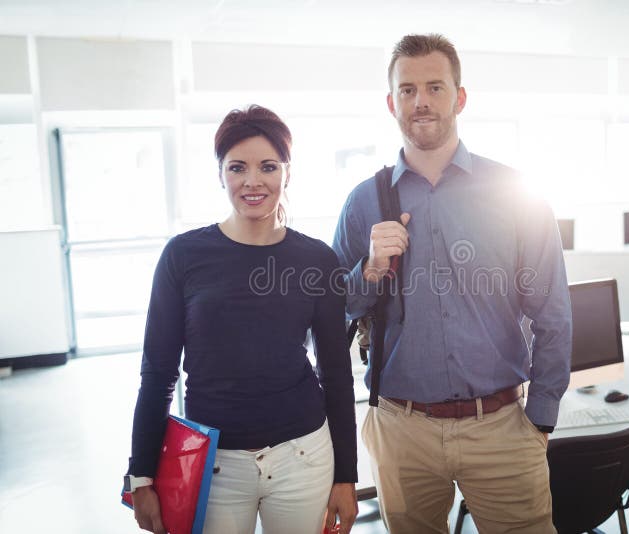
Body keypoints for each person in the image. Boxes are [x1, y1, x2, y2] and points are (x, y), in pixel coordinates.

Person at [332, 34, 572, 533]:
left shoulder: (514, 193)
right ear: (391, 102)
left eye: (435, 87)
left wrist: (541, 417)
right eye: (408, 89)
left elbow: (552, 311)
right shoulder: (362, 203)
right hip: (402, 432)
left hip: (502, 428)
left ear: (459, 97)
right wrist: (371, 269)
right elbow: (332, 315)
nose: (421, 101)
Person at [125, 105, 358, 534]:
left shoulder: (317, 260)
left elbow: (337, 375)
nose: (253, 181)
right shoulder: (183, 255)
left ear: (287, 173)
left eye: (268, 167)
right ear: (220, 175)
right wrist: (140, 474)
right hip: (213, 464)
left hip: (303, 457)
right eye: (238, 167)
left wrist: (346, 475)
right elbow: (157, 372)